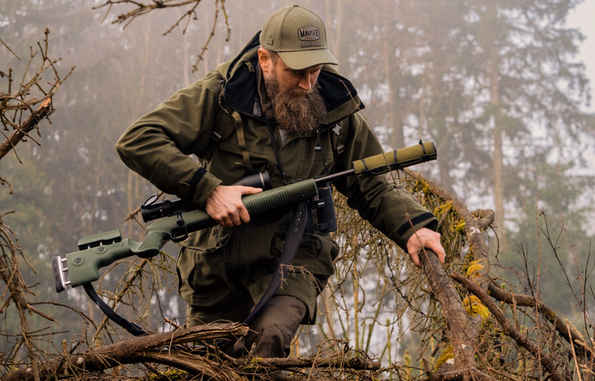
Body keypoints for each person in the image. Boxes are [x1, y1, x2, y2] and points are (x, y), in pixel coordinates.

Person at [115, 4, 447, 358]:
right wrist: (207, 190)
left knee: (268, 338)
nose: (307, 84)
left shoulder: (336, 109)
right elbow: (138, 139)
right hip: (216, 265)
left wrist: (414, 227)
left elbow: (372, 183)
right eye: (296, 72)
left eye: (316, 70)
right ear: (265, 59)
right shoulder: (221, 96)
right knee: (205, 363)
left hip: (293, 256)